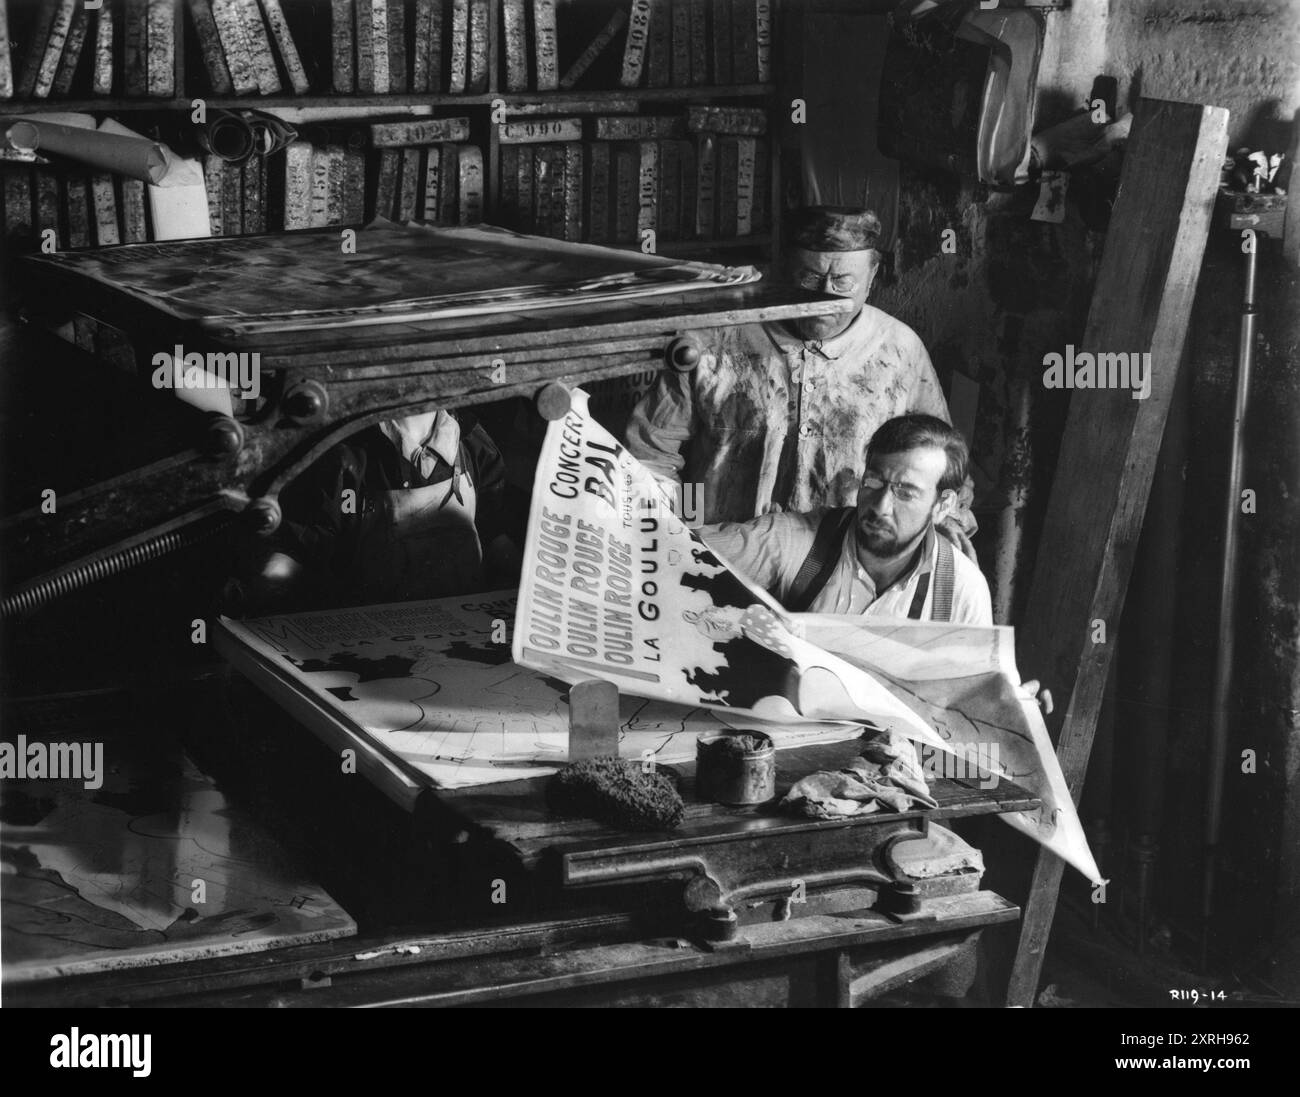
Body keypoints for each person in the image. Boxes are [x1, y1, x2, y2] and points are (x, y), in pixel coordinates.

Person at [626, 205, 974, 549]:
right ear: (782, 270)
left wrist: (943, 521)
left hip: (844, 558)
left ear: (871, 279)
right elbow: (654, 453)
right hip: (723, 550)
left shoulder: (900, 351)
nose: (824, 295)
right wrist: (685, 529)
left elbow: (938, 463)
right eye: (809, 278)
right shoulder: (715, 337)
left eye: (843, 282)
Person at [233, 408, 523, 612]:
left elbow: (493, 532)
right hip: (374, 635)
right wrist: (261, 587)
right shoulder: (348, 459)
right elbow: (302, 549)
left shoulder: (472, 442)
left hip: (457, 626)